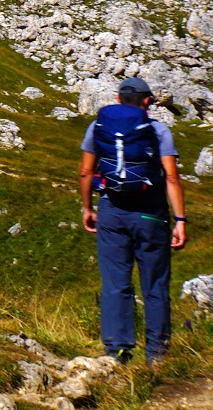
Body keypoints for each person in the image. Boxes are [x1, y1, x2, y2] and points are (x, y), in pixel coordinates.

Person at [79, 76, 188, 364]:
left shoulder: (98, 127)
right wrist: (180, 219)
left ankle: (116, 353)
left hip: (112, 211)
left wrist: (88, 208)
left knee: (116, 283)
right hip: (151, 214)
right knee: (155, 284)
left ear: (117, 100)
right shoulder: (159, 131)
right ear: (147, 102)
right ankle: (158, 354)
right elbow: (172, 178)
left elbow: (85, 172)